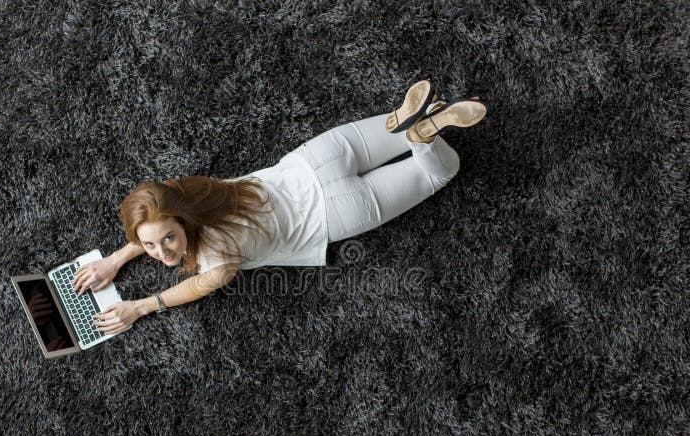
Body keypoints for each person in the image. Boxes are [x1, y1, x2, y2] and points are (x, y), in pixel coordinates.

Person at [71, 80, 487, 335]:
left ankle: (427, 137)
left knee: (438, 175)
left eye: (169, 239)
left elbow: (194, 286)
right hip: (316, 157)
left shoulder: (217, 258)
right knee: (397, 122)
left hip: (338, 211)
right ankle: (413, 123)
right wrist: (118, 256)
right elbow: (154, 216)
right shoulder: (188, 190)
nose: (162, 253)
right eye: (150, 247)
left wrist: (141, 306)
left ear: (182, 220)